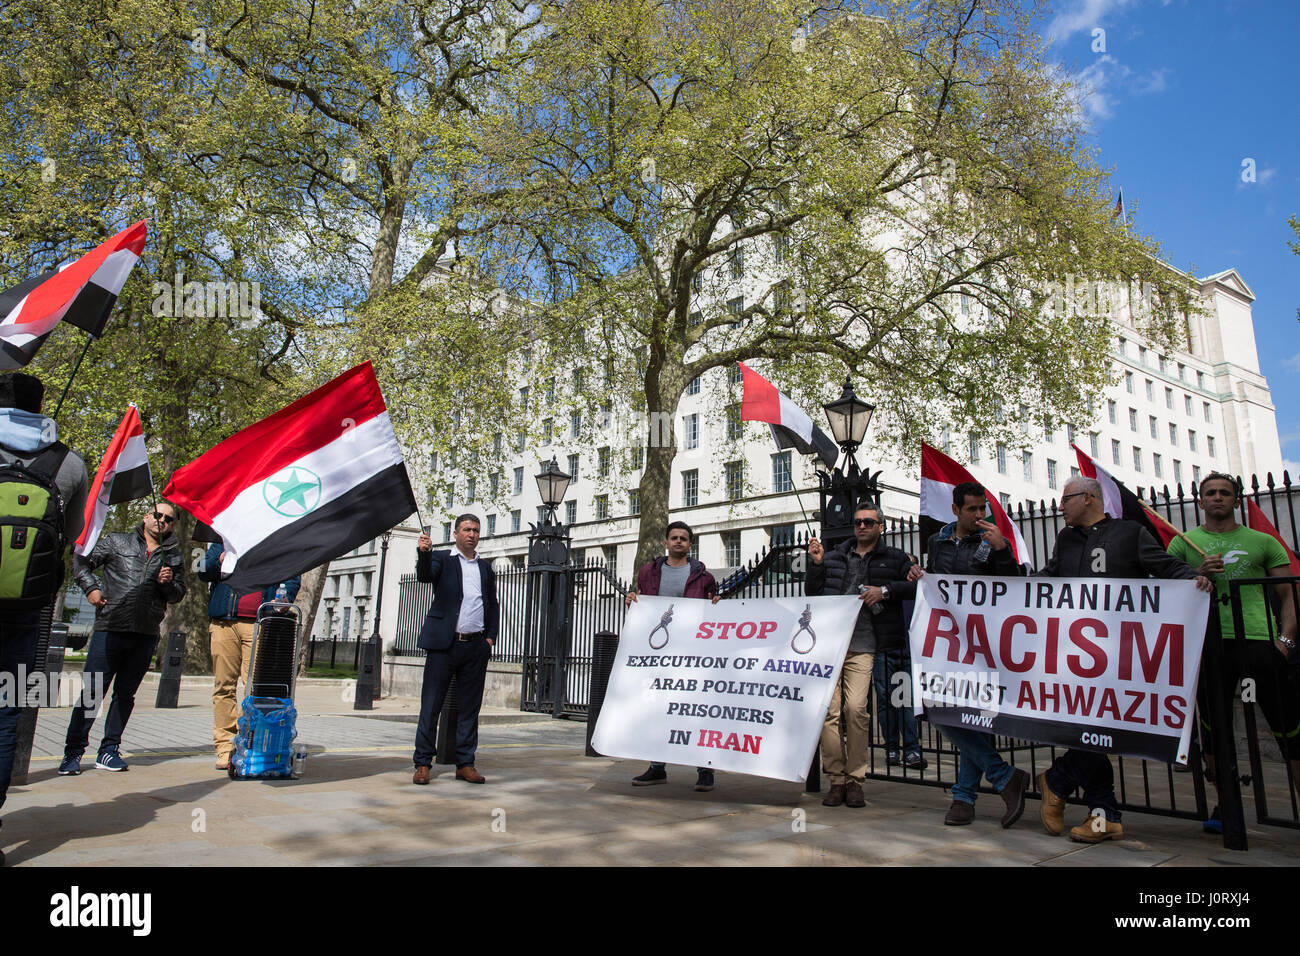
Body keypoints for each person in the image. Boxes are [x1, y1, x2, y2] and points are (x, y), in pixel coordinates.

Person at [1036, 477, 1211, 843]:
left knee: (1105, 728)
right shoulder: (1066, 539)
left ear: (1087, 498)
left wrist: (1196, 579)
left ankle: (1058, 781)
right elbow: (1049, 578)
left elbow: (1165, 567)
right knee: (1091, 728)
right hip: (1074, 655)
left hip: (1119, 654)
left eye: (1065, 499)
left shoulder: (1129, 533)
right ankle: (1104, 815)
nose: (1060, 506)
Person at [1166, 472, 1300, 831]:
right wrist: (1194, 573)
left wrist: (1285, 643)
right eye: (1211, 493)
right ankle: (1228, 807)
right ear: (1200, 500)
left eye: (1225, 493)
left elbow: (1290, 594)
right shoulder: (1184, 543)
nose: (1218, 498)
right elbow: (1166, 595)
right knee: (1213, 732)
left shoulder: (1262, 541)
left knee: (1290, 731)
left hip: (1260, 641)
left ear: (1237, 500)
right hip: (1209, 644)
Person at [0, 373, 88, 863]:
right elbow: (72, 533)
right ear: (42, 406)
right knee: (6, 710)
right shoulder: (70, 461)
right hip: (25, 607)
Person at [908, 481, 1029, 826]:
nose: (979, 515)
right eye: (972, 509)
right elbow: (938, 583)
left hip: (984, 643)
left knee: (977, 715)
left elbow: (1015, 587)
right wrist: (921, 575)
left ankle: (964, 797)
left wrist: (1003, 551)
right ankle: (1003, 776)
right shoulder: (938, 540)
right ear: (956, 510)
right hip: (947, 643)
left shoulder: (993, 539)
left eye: (983, 509)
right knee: (942, 710)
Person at [59, 500, 186, 774]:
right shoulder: (117, 542)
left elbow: (178, 594)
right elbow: (81, 562)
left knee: (125, 695)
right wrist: (91, 588)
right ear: (145, 517)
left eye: (168, 518)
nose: (161, 520)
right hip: (110, 628)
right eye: (157, 515)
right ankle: (73, 753)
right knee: (92, 694)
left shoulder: (173, 556)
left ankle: (108, 750)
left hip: (145, 633)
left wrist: (167, 585)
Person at [806, 502, 916, 808]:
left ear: (881, 526)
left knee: (856, 710)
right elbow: (813, 593)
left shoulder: (894, 557)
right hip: (829, 645)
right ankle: (837, 780)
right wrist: (815, 565)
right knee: (829, 714)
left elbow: (916, 588)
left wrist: (885, 591)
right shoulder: (834, 555)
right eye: (858, 522)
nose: (862, 526)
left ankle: (856, 779)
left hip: (864, 644)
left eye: (868, 521)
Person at [625, 520, 721, 791]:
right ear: (666, 543)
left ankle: (705, 769)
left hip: (693, 653)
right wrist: (632, 601)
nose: (678, 541)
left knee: (698, 709)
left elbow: (712, 613)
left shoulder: (704, 577)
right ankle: (657, 767)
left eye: (683, 538)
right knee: (659, 708)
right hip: (659, 653)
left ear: (690, 544)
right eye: (674, 537)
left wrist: (717, 605)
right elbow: (642, 605)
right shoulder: (648, 572)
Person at [412, 514, 498, 785]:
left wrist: (490, 638)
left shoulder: (485, 568)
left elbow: (491, 604)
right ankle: (423, 762)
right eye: (466, 530)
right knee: (431, 704)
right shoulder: (441, 559)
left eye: (475, 530)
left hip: (475, 646)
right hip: (444, 645)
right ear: (455, 533)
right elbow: (425, 577)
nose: (471, 534)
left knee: (470, 708)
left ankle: (465, 762)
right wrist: (423, 553)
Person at [198, 543, 301, 771]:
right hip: (224, 621)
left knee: (255, 689)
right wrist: (219, 559)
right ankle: (225, 747)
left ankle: (249, 744)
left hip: (258, 623)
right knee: (223, 687)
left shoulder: (276, 536)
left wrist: (285, 598)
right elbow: (202, 570)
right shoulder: (224, 538)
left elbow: (293, 570)